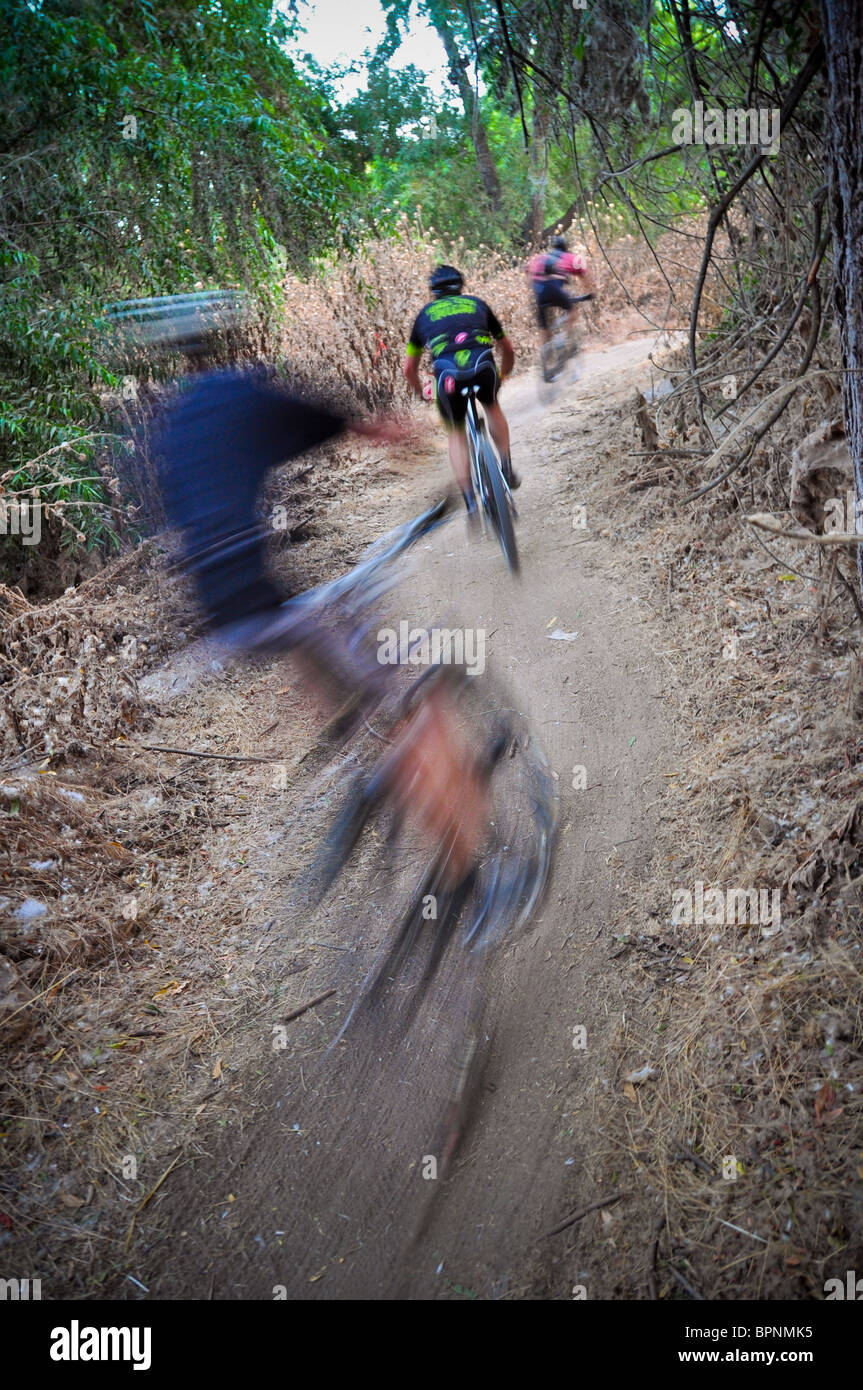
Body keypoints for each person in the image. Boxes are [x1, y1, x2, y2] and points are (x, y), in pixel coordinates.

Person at [131, 293, 488, 884]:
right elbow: (330, 420)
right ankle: (473, 872)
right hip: (263, 598)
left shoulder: (170, 427)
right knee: (407, 703)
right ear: (225, 344)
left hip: (224, 618)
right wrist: (391, 436)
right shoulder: (240, 391)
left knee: (322, 649)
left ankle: (359, 752)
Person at [403, 264, 518, 512]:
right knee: (491, 405)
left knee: (456, 433)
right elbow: (507, 349)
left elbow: (408, 369)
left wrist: (419, 391)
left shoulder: (424, 315)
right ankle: (506, 466)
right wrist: (503, 374)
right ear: (461, 284)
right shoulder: (477, 305)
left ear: (433, 291)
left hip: (448, 378)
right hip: (483, 369)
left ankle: (469, 500)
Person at [527, 234, 590, 346]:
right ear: (566, 247)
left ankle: (544, 357)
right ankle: (563, 341)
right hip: (554, 291)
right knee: (573, 312)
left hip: (539, 295)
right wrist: (591, 292)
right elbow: (583, 275)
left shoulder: (540, 258)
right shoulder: (568, 257)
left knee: (544, 329)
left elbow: (529, 273)